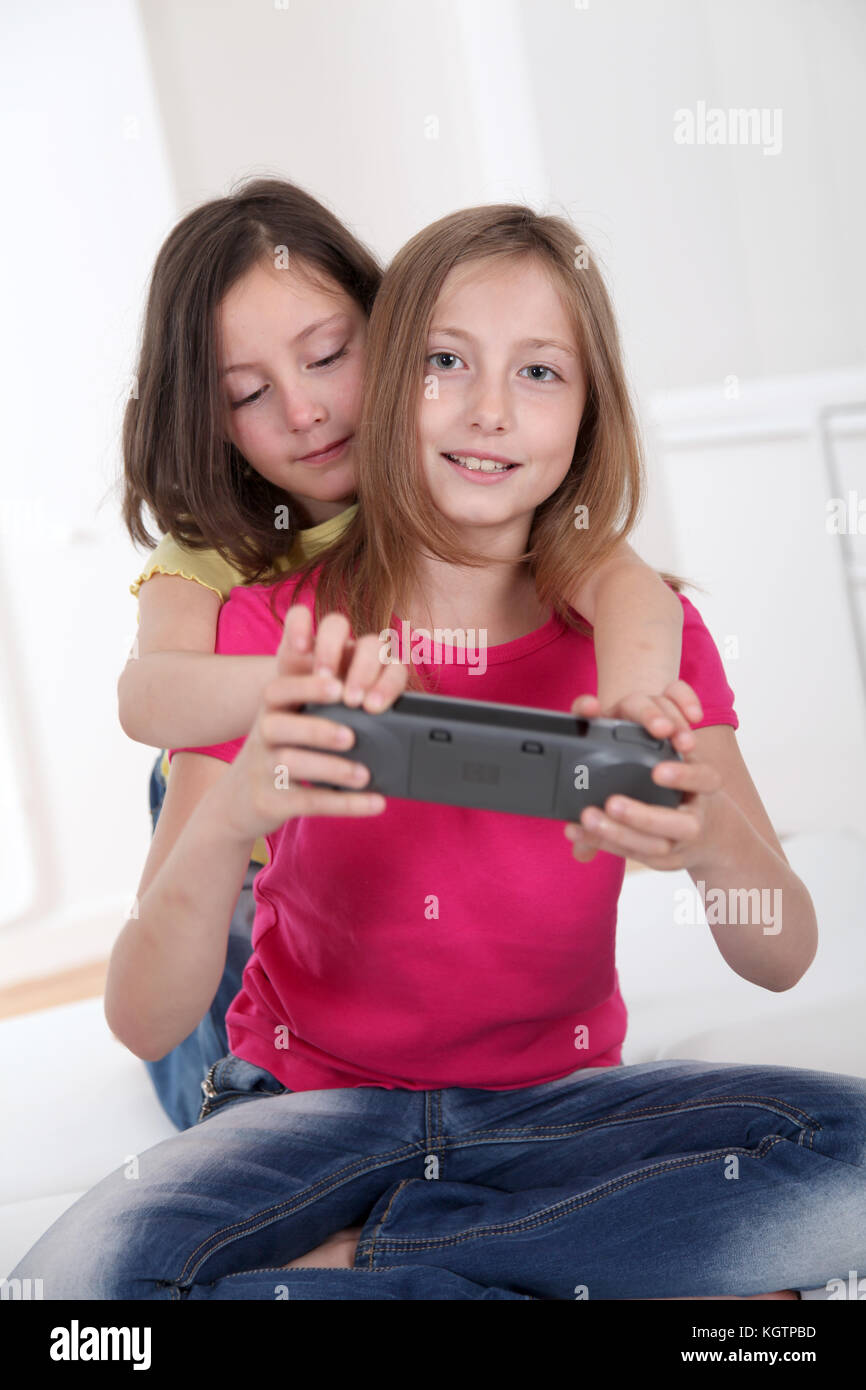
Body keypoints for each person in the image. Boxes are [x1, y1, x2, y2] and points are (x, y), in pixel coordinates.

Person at [15, 203, 859, 1301]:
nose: (492, 410)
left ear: (590, 408)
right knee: (84, 1292)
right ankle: (581, 1268)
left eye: (540, 373)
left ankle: (381, 1263)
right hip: (311, 1111)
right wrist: (231, 817)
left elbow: (779, 953)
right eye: (444, 361)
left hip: (546, 1115)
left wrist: (711, 843)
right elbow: (142, 1013)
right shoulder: (276, 632)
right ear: (387, 390)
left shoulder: (645, 635)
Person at [118, 181, 696, 1131]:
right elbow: (149, 699)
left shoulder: (448, 471)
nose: (304, 411)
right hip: (243, 755)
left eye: (330, 357)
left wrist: (632, 717)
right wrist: (303, 687)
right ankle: (216, 1102)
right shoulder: (213, 556)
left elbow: (623, 581)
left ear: (392, 332)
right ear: (209, 419)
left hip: (384, 772)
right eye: (251, 394)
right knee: (220, 1003)